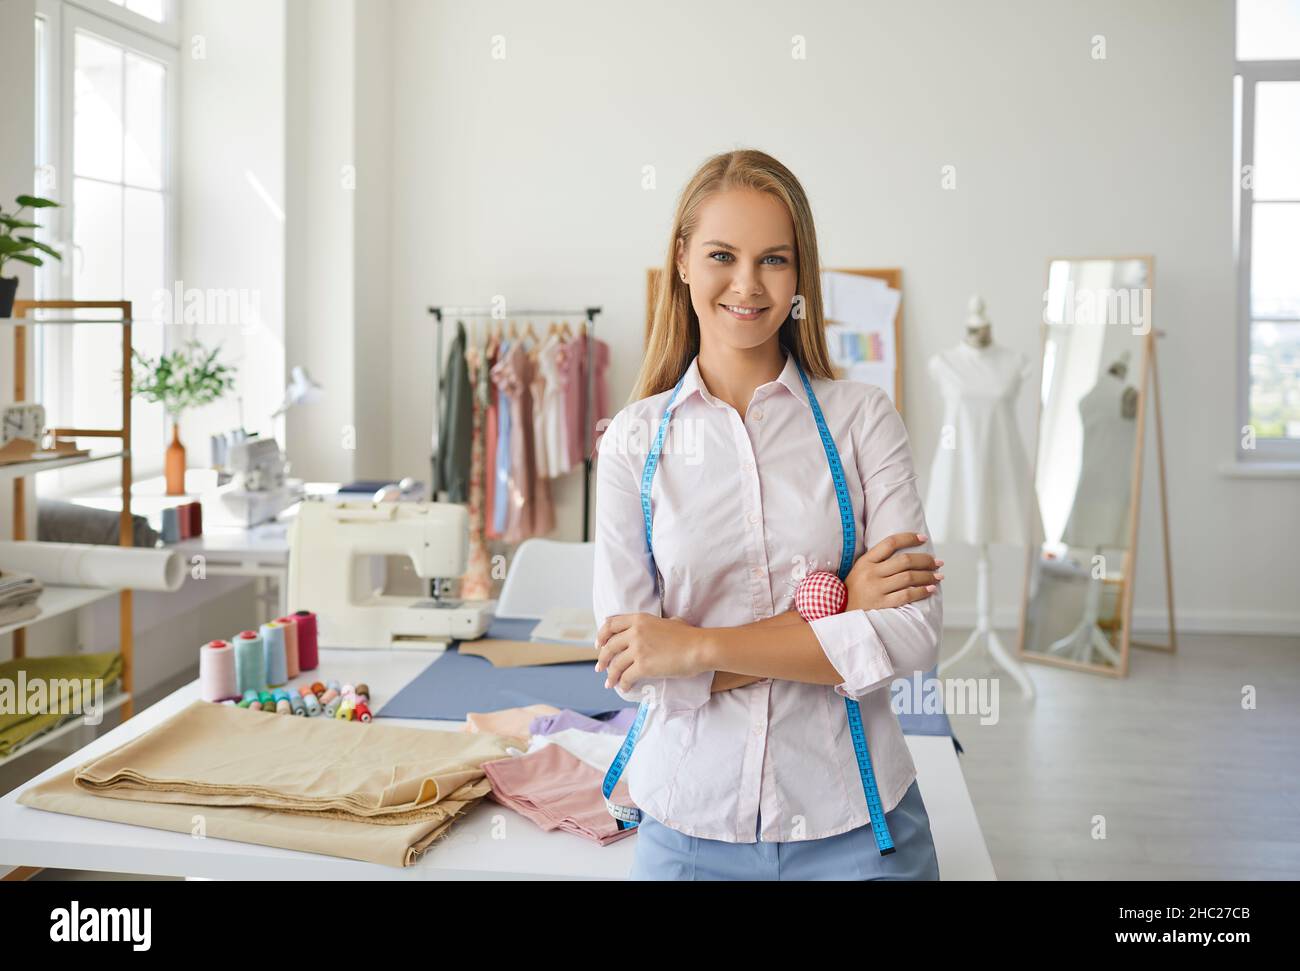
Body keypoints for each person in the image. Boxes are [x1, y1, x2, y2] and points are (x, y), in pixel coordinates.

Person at [593, 148, 944, 880]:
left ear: (798, 275)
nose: (748, 284)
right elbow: (635, 667)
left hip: (857, 821)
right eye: (722, 254)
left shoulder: (864, 420)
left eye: (774, 260)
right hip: (689, 826)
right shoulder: (633, 440)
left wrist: (692, 647)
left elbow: (911, 633)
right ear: (683, 260)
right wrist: (841, 611)